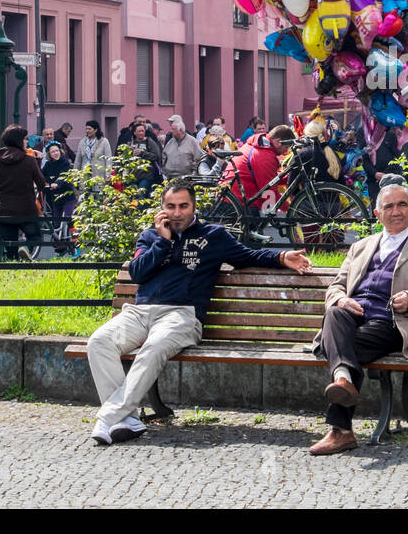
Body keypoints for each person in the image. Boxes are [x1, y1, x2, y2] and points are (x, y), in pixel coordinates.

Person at [85, 182, 313, 444]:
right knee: (99, 342)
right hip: (140, 312)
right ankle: (128, 420)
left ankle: (108, 417)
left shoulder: (213, 236)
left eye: (184, 206)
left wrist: (282, 256)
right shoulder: (150, 237)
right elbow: (137, 273)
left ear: (194, 208)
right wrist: (162, 242)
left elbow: (247, 255)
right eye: (171, 206)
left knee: (154, 347)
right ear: (162, 209)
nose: (177, 213)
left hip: (181, 315)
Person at [309, 179, 408, 455]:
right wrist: (341, 298)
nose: (395, 211)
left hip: (392, 324)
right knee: (336, 313)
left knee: (340, 345)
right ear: (377, 214)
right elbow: (336, 286)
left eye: (402, 205)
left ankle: (340, 428)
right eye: (388, 206)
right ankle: (343, 383)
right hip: (352, 318)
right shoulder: (360, 247)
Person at [0, 125, 48, 259]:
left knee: (10, 244)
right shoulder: (29, 160)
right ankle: (26, 251)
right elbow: (41, 183)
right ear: (18, 141)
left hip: (3, 209)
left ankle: (13, 266)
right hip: (26, 209)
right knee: (35, 236)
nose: (26, 142)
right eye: (25, 139)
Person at [223, 124, 296, 207]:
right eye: (286, 147)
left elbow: (270, 179)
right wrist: (291, 210)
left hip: (235, 196)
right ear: (278, 141)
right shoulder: (265, 155)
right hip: (238, 202)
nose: (285, 151)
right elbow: (269, 190)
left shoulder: (261, 145)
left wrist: (289, 178)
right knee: (267, 213)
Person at [41, 141, 75, 248]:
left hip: (67, 196)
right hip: (55, 197)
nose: (55, 153)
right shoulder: (47, 165)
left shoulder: (65, 162)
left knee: (69, 218)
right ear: (49, 154)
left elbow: (63, 175)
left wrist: (57, 183)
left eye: (57, 151)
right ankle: (59, 245)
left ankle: (75, 241)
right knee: (56, 222)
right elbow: (42, 176)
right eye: (53, 152)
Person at [161, 114, 203, 180]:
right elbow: (164, 157)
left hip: (186, 178)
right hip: (170, 178)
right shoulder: (170, 142)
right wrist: (164, 172)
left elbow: (198, 159)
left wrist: (193, 174)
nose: (171, 131)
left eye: (173, 129)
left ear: (180, 130)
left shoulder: (192, 141)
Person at [128, 122, 164, 195]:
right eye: (139, 131)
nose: (141, 133)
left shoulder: (149, 141)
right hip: (133, 175)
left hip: (146, 175)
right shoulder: (131, 143)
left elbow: (156, 156)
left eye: (143, 131)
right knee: (133, 196)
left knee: (141, 195)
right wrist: (128, 151)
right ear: (135, 133)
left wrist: (142, 153)